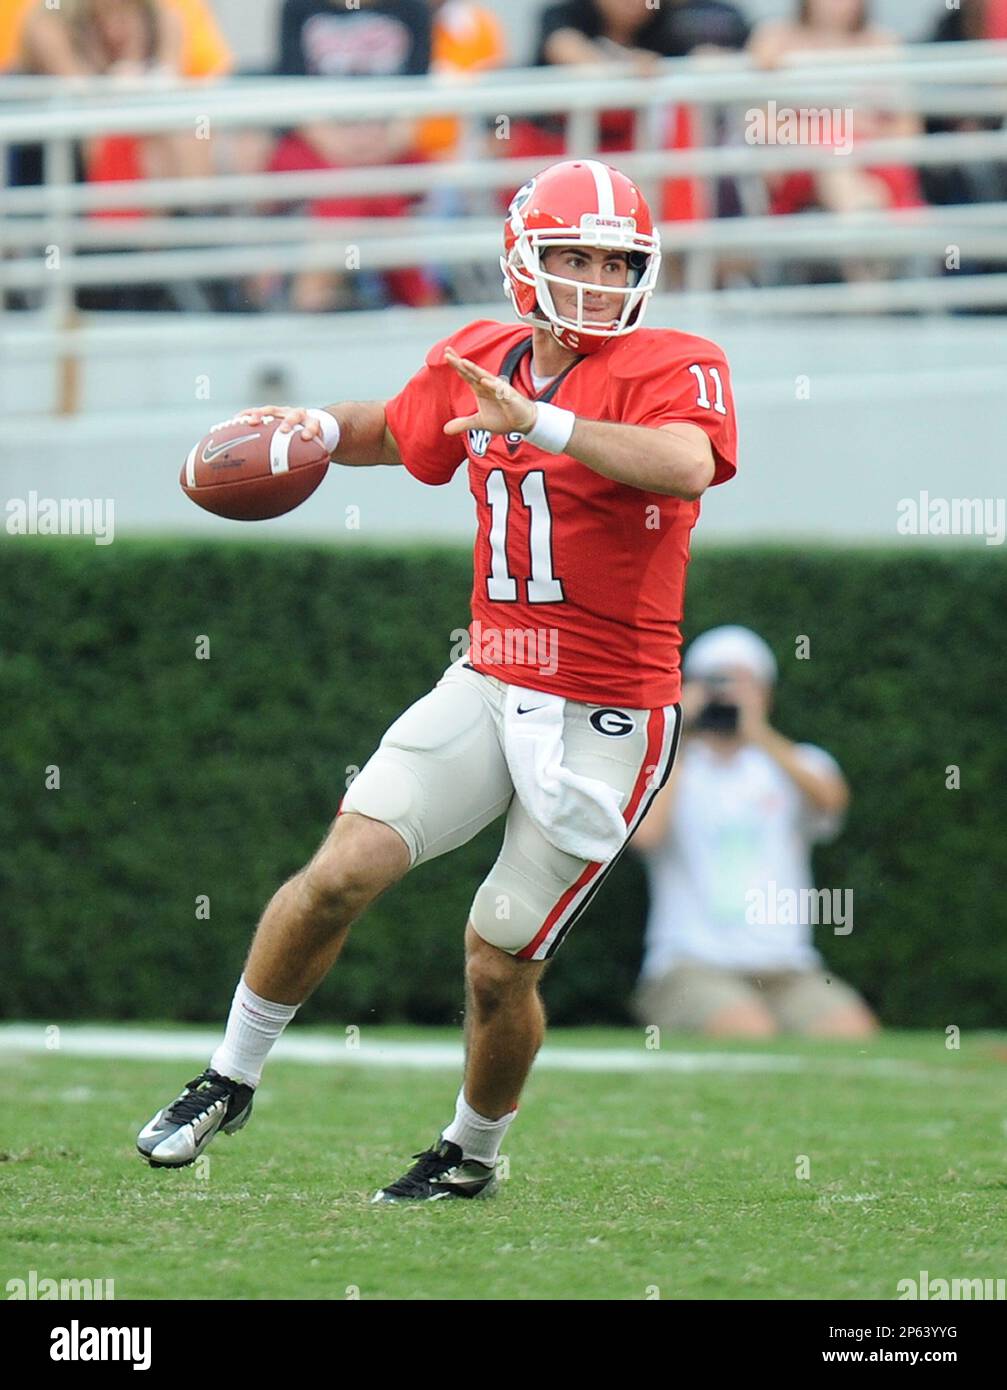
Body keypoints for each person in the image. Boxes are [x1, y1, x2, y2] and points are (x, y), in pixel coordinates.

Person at [136, 158, 738, 1201]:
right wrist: (317, 429)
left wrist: (537, 424)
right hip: (492, 674)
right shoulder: (479, 355)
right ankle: (226, 1076)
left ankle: (470, 1150)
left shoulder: (672, 363)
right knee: (339, 870)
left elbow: (684, 463)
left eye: (615, 260)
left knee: (496, 959)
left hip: (605, 713)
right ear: (522, 260)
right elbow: (401, 430)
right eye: (574, 256)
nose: (596, 279)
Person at [631, 626, 878, 1039]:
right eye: (714, 682)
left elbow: (832, 801)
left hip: (787, 968)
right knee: (746, 1029)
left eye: (739, 682)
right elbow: (645, 836)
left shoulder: (793, 762)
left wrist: (757, 732)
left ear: (765, 693)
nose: (725, 694)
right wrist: (679, 731)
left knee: (851, 1033)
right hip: (690, 964)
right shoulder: (671, 768)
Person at [263, 0, 437, 311]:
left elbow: (418, 97)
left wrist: (378, 144)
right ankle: (420, 303)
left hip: (388, 151)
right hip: (316, 146)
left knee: (355, 190)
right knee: (358, 193)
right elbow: (289, 90)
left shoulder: (411, 9)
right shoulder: (298, 8)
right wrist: (337, 144)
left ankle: (312, 294)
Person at [747, 0, 923, 222]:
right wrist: (833, 130)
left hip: (871, 160)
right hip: (801, 165)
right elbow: (757, 124)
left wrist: (853, 139)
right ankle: (865, 228)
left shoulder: (884, 43)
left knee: (850, 173)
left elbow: (906, 130)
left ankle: (862, 225)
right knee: (834, 163)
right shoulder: (774, 40)